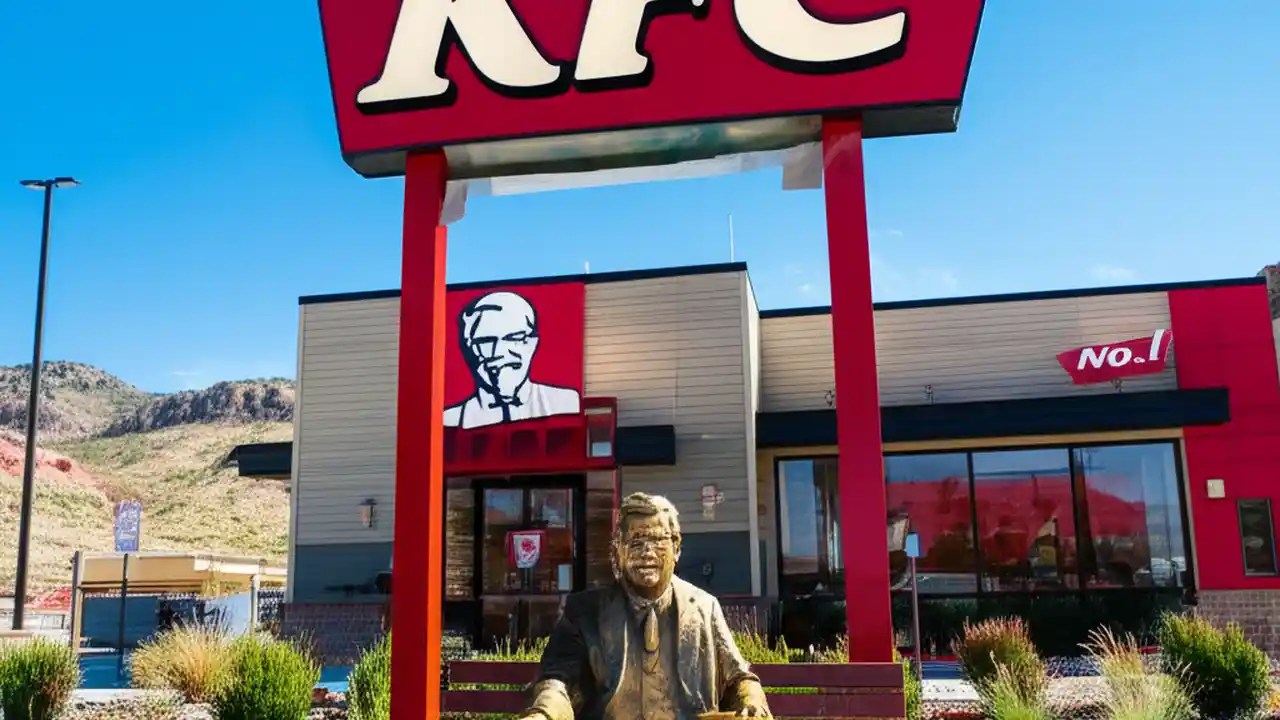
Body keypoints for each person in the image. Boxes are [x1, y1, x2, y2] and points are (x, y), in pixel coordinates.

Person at [519, 493, 771, 720]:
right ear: (618, 550)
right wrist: (543, 714)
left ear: (677, 547)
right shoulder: (585, 611)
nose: (647, 553)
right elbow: (557, 682)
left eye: (657, 540)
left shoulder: (705, 608)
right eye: (636, 541)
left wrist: (751, 701)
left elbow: (739, 678)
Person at [445, 291, 581, 429]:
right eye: (486, 341)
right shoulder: (449, 421)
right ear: (470, 348)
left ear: (532, 344)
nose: (498, 352)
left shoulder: (566, 404)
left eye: (513, 338)